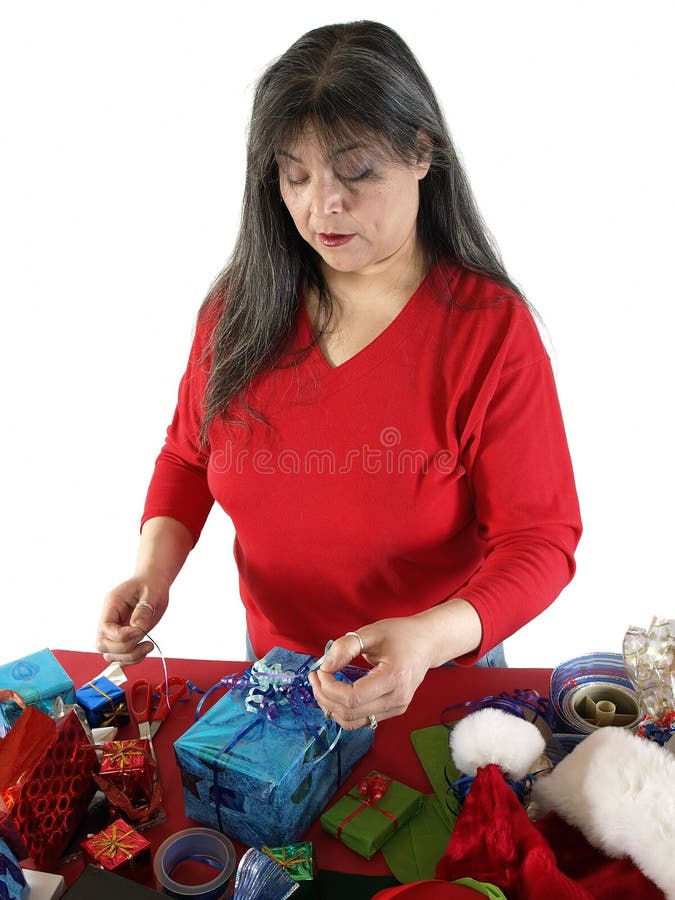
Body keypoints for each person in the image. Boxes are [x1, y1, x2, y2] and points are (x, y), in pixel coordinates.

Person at [96, 20, 582, 731]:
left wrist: (428, 639)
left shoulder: (487, 329)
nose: (321, 204)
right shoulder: (238, 309)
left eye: (355, 173)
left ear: (421, 152)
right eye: (295, 174)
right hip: (277, 677)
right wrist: (152, 572)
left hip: (435, 681)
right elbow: (187, 456)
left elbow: (539, 541)